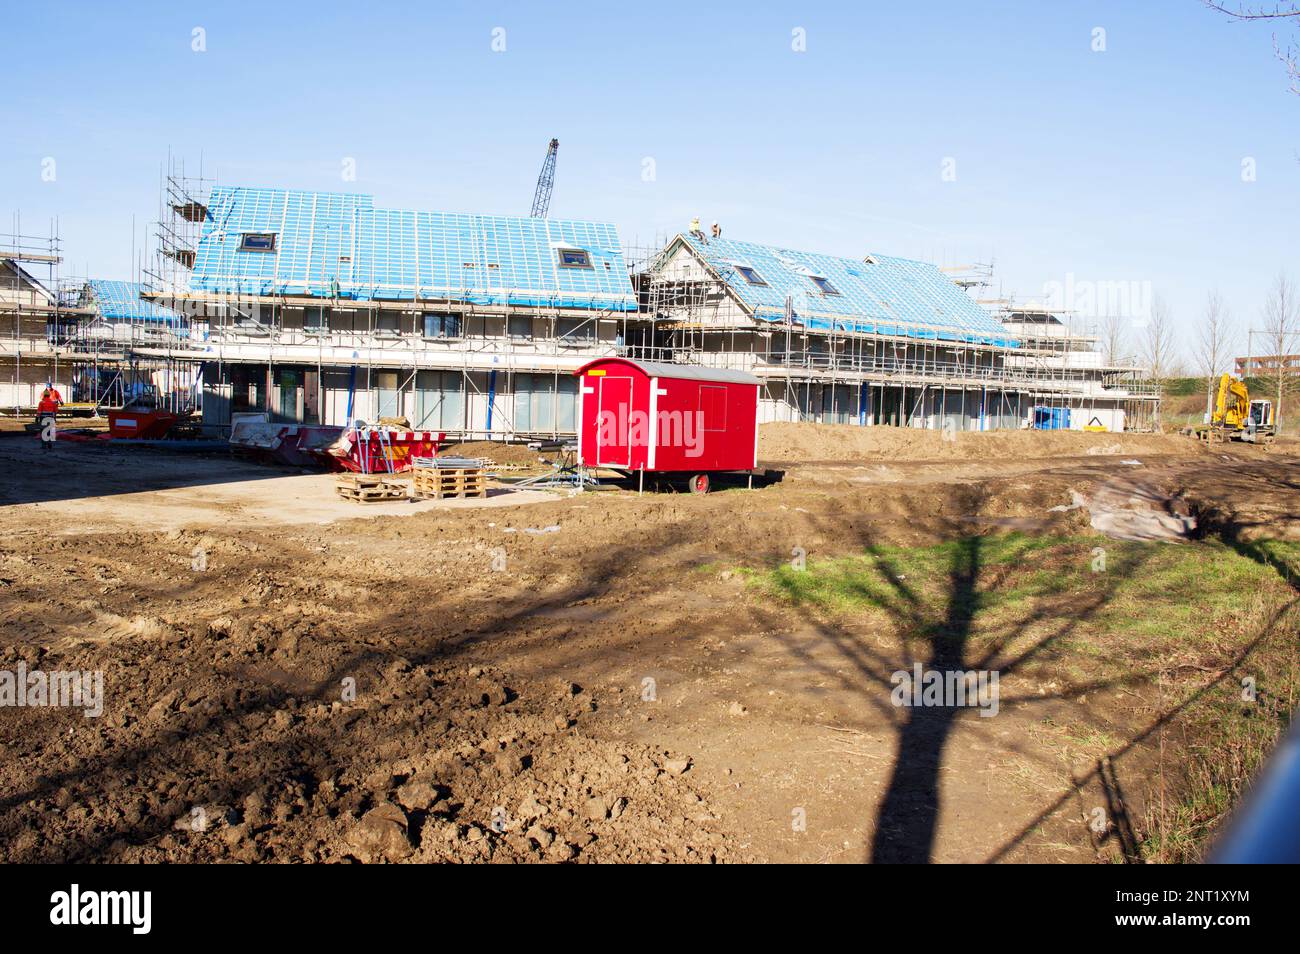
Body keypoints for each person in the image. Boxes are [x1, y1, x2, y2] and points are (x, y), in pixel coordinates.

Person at [36, 384, 61, 450]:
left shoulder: (41, 402)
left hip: (43, 418)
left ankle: (44, 445)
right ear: (49, 395)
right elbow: (55, 411)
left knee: (44, 431)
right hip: (51, 418)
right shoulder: (53, 403)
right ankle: (50, 443)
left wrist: (37, 418)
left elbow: (39, 411)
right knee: (50, 431)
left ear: (44, 395)